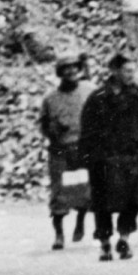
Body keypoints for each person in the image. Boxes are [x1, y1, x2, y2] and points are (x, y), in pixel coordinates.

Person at [79, 52, 138, 261]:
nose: (131, 75)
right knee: (102, 204)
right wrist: (88, 157)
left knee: (133, 202)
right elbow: (86, 129)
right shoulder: (98, 97)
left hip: (128, 155)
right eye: (127, 71)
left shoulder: (136, 95)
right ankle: (104, 244)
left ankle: (124, 238)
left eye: (133, 71)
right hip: (104, 158)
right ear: (115, 71)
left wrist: (137, 139)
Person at [39, 55, 91, 250]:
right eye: (65, 69)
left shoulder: (89, 91)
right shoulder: (50, 99)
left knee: (84, 190)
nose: (70, 72)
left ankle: (80, 220)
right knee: (59, 194)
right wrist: (54, 129)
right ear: (59, 73)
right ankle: (59, 234)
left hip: (83, 148)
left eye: (73, 68)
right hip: (59, 150)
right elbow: (43, 125)